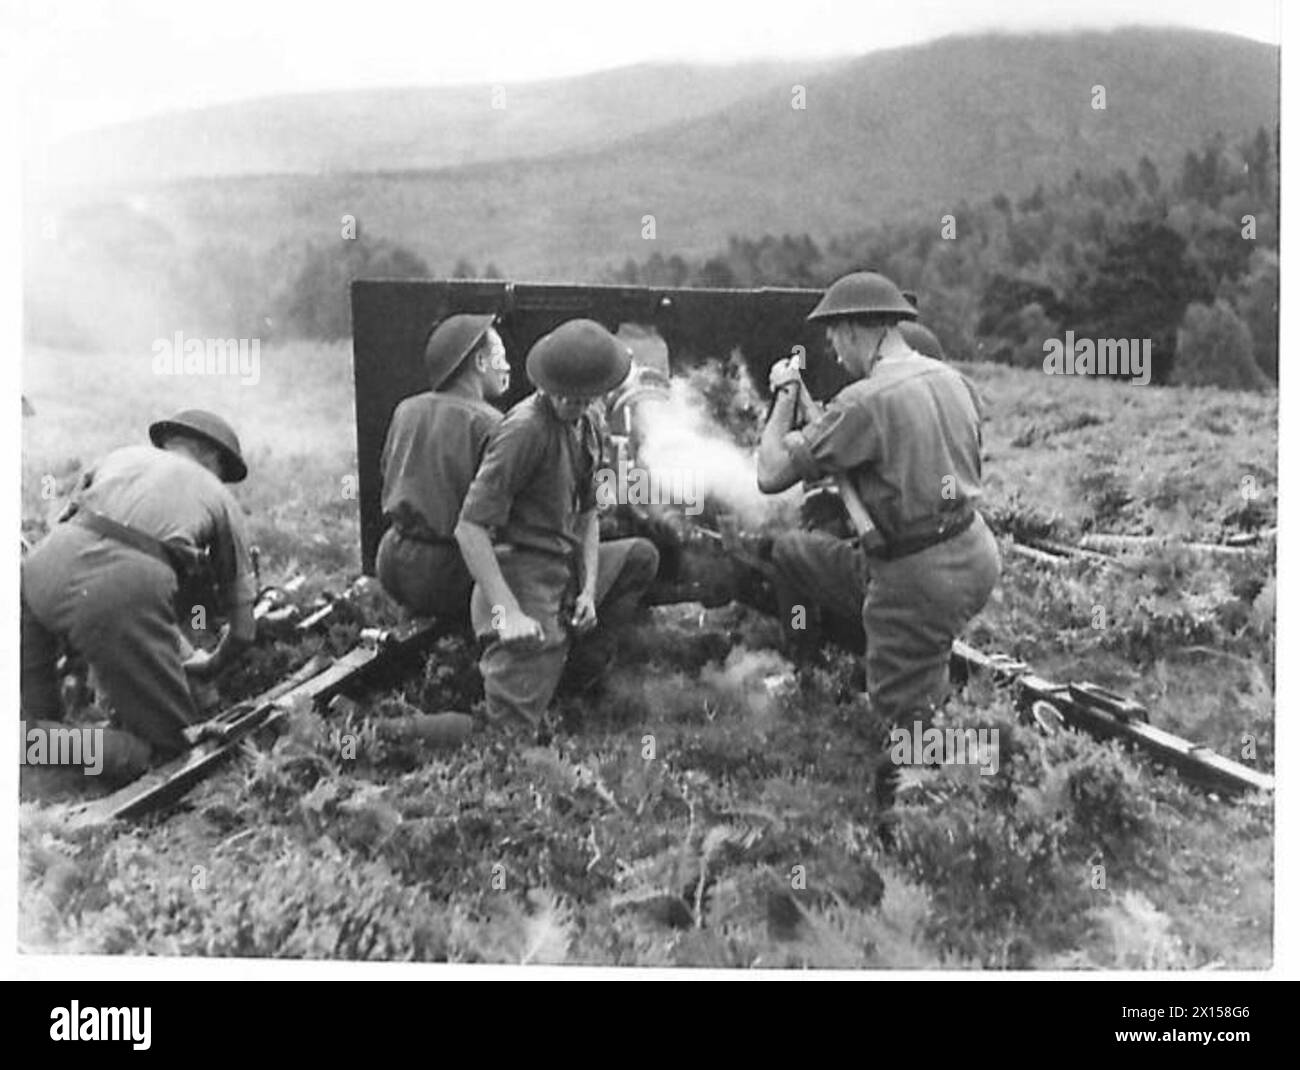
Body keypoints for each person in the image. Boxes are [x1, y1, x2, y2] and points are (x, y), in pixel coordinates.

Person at [756, 271, 1000, 727]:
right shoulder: (952, 379)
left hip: (917, 575)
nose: (833, 350)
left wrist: (786, 392)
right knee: (796, 554)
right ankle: (897, 659)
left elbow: (769, 474)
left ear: (852, 330)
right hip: (974, 555)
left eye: (833, 337)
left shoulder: (863, 401)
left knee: (902, 718)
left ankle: (920, 783)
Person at [21, 410, 257, 778]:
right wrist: (210, 663)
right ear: (215, 460)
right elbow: (243, 630)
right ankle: (48, 749)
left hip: (39, 569)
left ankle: (33, 745)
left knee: (39, 721)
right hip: (116, 592)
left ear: (170, 443)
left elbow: (68, 523)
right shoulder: (220, 498)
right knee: (167, 752)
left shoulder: (120, 456)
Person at [455, 319, 660, 731]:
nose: (570, 403)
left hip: (562, 572)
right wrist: (509, 613)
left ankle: (570, 681)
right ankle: (378, 730)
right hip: (521, 576)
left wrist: (587, 589)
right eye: (562, 393)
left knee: (639, 556)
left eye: (583, 397)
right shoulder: (524, 430)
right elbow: (470, 528)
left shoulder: (591, 425)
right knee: (506, 736)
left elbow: (588, 515)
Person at [375, 313, 510, 625]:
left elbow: (387, 472)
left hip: (392, 557)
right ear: (479, 362)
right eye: (500, 357)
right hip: (447, 572)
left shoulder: (406, 409)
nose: (507, 366)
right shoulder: (490, 424)